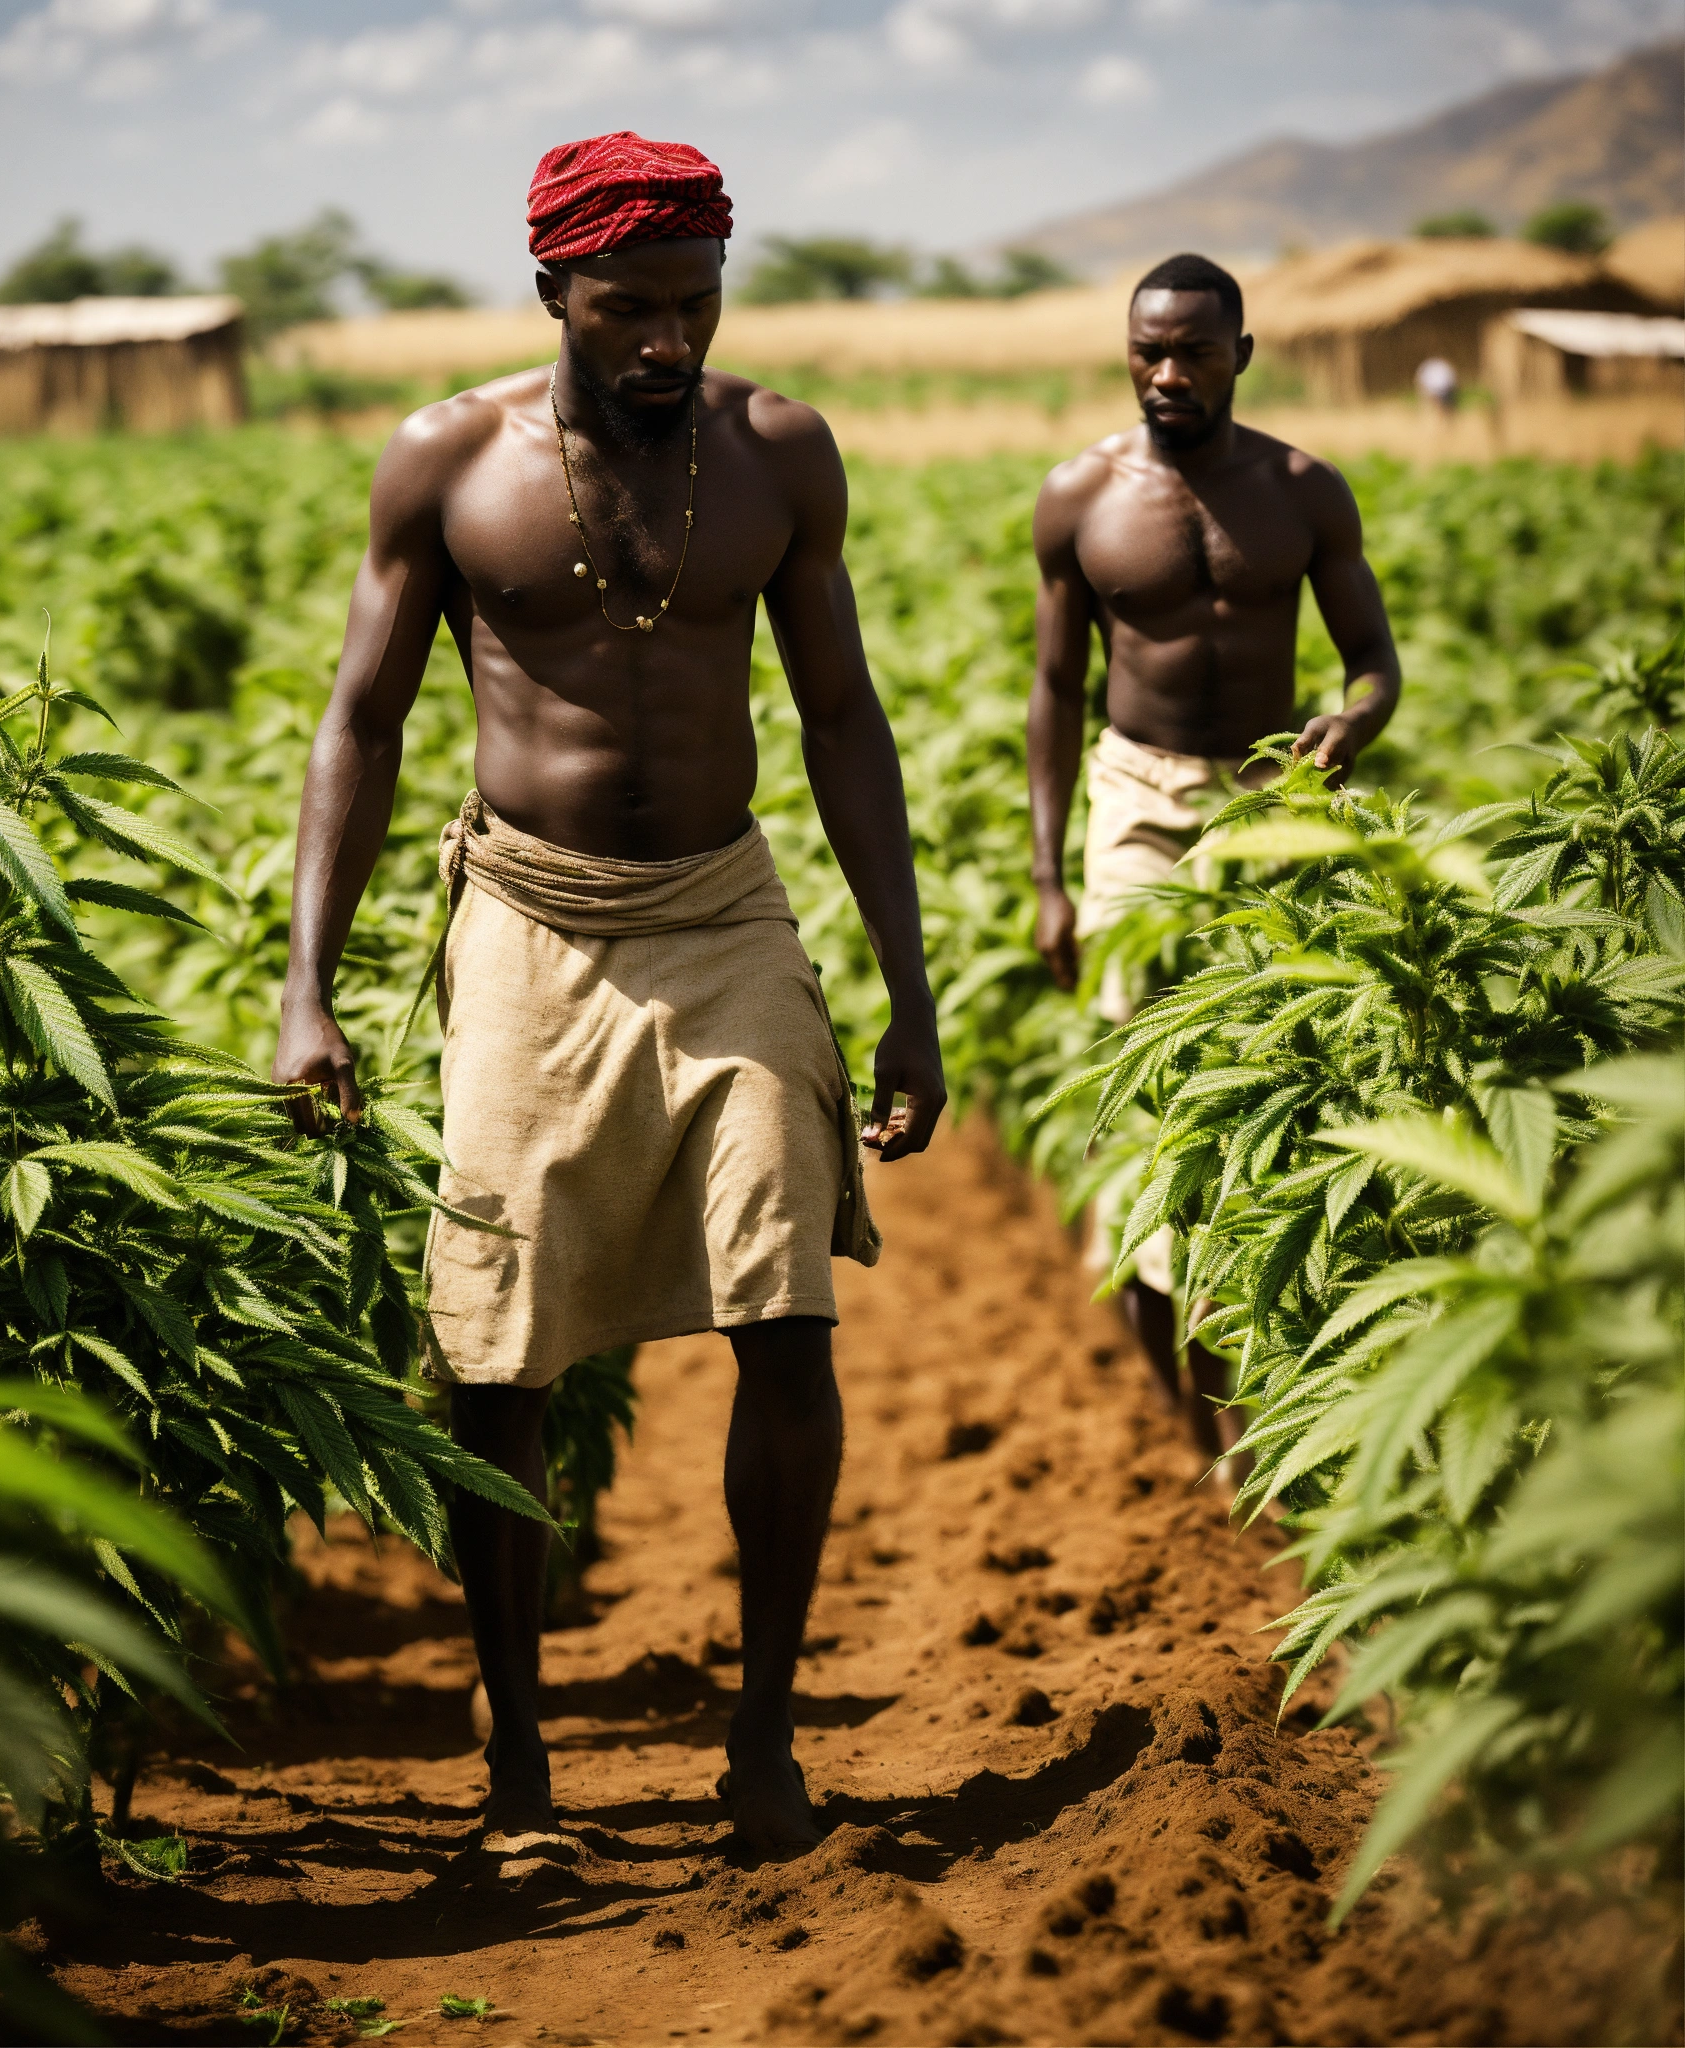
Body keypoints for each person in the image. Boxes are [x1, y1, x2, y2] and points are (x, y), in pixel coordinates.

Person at [272, 131, 945, 1859]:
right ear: (551, 294)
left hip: (725, 912)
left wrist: (909, 988)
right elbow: (360, 720)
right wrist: (309, 988)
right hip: (528, 921)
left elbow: (842, 717)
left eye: (693, 305)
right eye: (626, 308)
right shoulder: (450, 462)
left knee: (785, 1313)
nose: (666, 341)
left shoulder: (778, 453)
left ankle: (763, 1745)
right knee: (499, 1355)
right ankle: (516, 1777)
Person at [1027, 250, 1401, 1472]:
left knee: (1284, 1062)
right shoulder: (1079, 494)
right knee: (1146, 1076)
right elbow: (1051, 694)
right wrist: (1048, 878)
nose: (1167, 372)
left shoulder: (1303, 491)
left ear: (1241, 352)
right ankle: (1174, 1344)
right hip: (1134, 796)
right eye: (1147, 350)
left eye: (1192, 349)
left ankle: (1276, 1322)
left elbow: (1370, 662)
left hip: (1266, 804)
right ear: (1124, 352)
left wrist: (1350, 723)